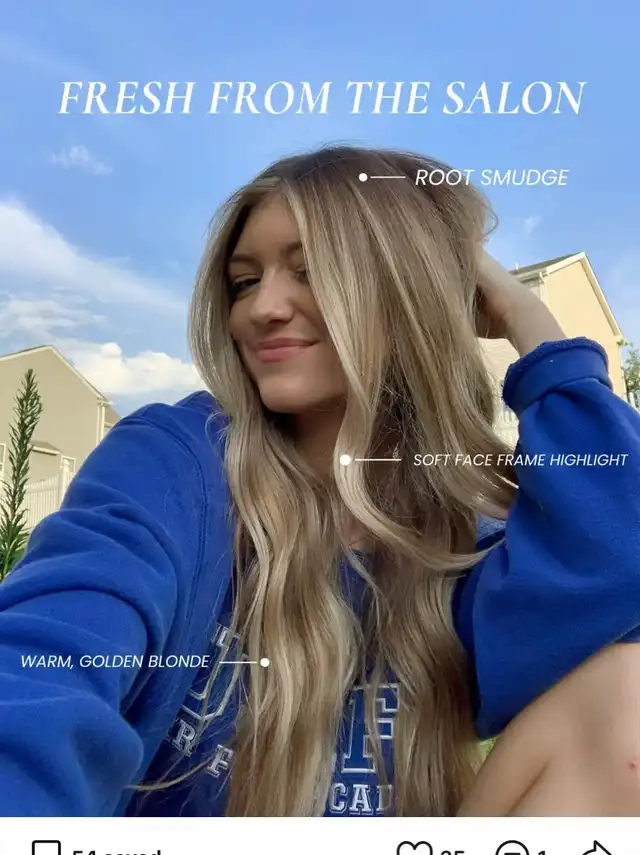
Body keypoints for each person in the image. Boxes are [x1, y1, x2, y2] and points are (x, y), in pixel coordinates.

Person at [1, 144, 640, 819]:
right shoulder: (175, 465)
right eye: (244, 281)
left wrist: (528, 321)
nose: (262, 308)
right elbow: (42, 664)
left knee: (626, 695)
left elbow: (621, 557)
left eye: (311, 271)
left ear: (406, 288)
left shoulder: (460, 549)